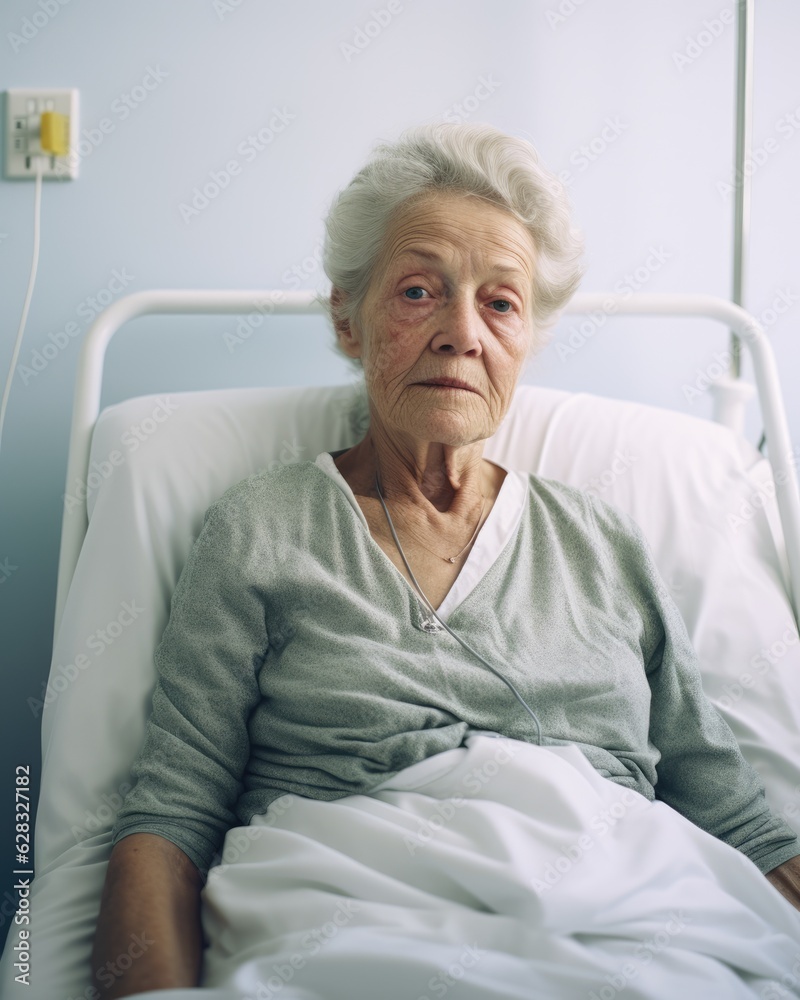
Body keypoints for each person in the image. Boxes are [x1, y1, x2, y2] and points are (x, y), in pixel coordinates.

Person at [92, 121, 800, 997]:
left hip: (626, 918)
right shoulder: (259, 528)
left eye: (501, 303)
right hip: (346, 916)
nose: (463, 333)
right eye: (420, 291)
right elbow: (174, 812)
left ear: (527, 339)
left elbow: (733, 815)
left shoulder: (602, 542)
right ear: (348, 323)